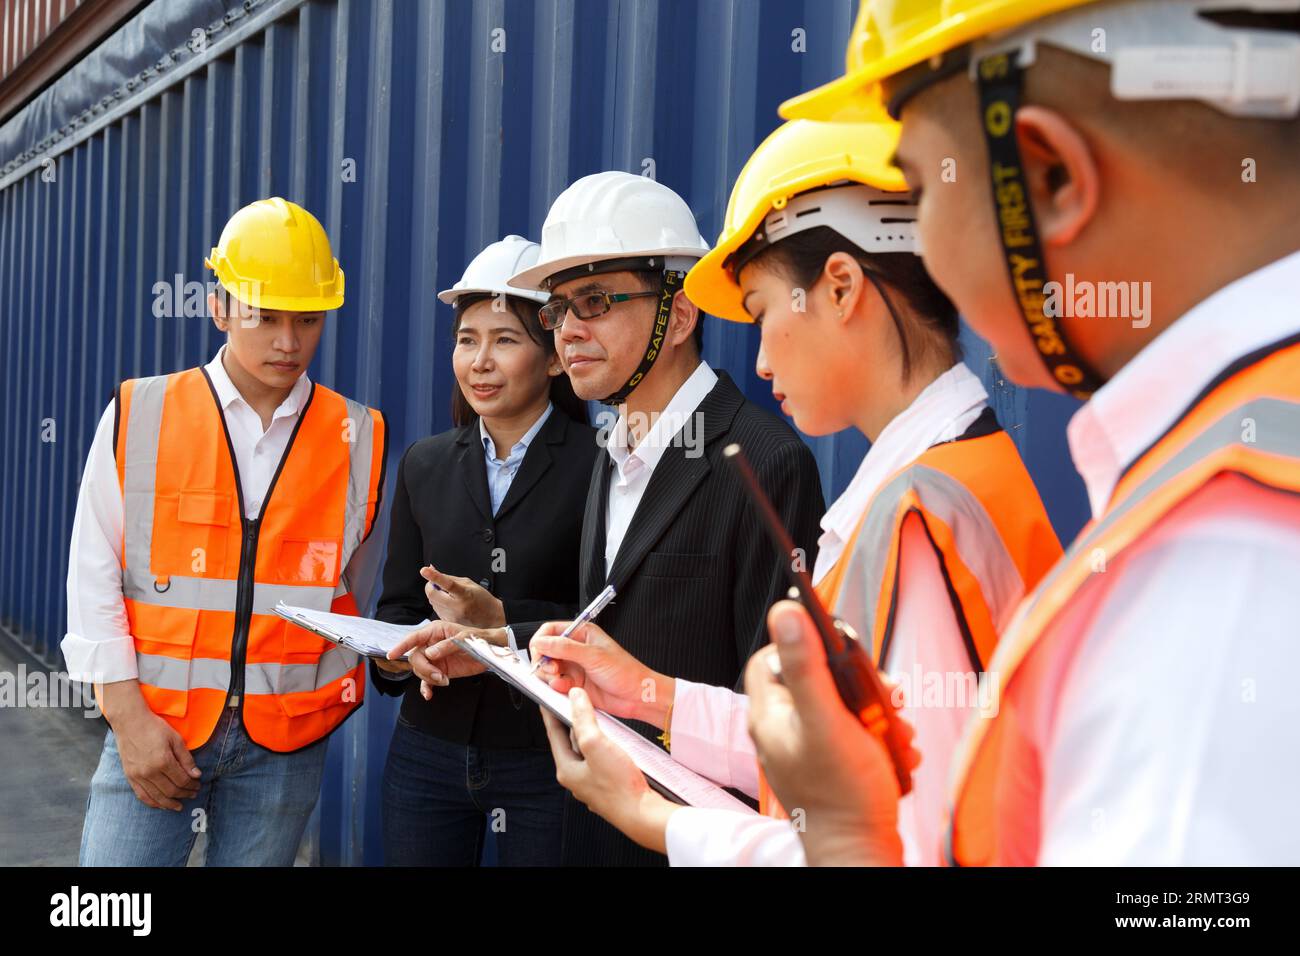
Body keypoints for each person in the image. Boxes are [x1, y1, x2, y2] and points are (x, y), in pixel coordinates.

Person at [749, 0, 1300, 865]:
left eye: (925, 190)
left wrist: (848, 835)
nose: (923, 245)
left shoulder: (1222, 567)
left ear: (1048, 175)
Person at [527, 119, 1061, 865]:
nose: (760, 350)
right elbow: (839, 762)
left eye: (761, 311)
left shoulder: (922, 522)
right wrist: (648, 691)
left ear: (839, 288)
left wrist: (654, 819)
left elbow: (885, 849)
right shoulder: (945, 482)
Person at [393, 171, 826, 866]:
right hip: (596, 826)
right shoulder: (611, 452)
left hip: (696, 840)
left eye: (594, 301)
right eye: (557, 311)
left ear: (679, 315)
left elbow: (774, 714)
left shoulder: (765, 464)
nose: (568, 331)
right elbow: (607, 628)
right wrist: (497, 637)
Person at [65, 198, 387, 866]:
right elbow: (93, 576)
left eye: (306, 319)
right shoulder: (142, 412)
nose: (288, 341)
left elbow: (356, 598)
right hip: (156, 729)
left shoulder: (358, 437)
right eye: (264, 316)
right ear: (218, 307)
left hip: (285, 746)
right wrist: (128, 722)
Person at [367, 236, 598, 866]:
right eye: (467, 340)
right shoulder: (425, 463)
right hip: (428, 750)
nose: (480, 362)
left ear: (554, 359)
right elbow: (393, 612)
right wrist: (400, 660)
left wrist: (499, 621)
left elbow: (601, 619)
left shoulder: (602, 467)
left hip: (543, 755)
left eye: (505, 339)